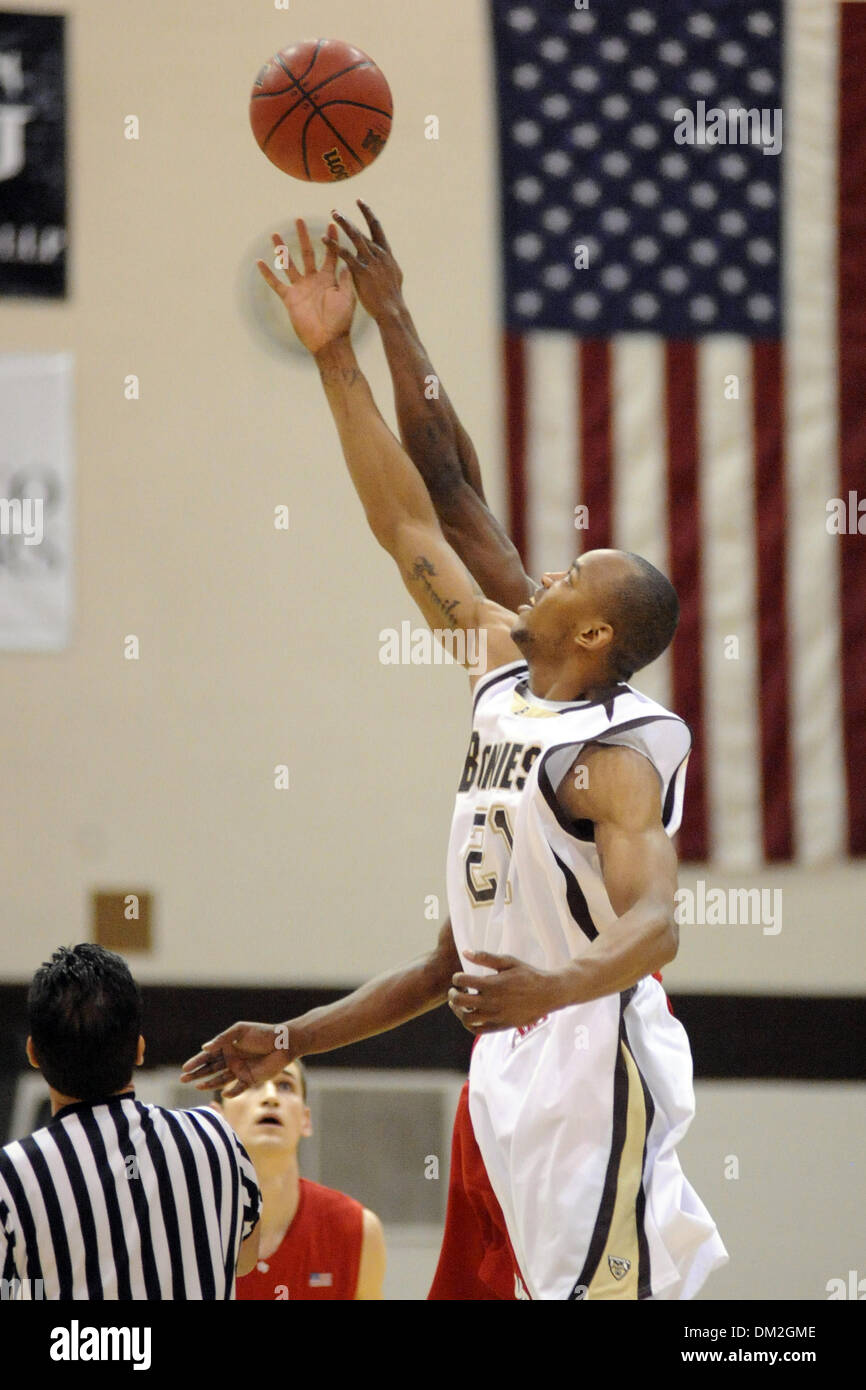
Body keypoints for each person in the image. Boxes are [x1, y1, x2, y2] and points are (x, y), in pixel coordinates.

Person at [184, 208, 727, 1299]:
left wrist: (549, 988)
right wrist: (354, 340)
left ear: (592, 636)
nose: (546, 574)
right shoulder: (501, 677)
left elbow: (657, 924)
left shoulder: (610, 753)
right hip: (503, 1067)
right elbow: (420, 513)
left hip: (585, 1053)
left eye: (571, 574)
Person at [0, 944, 260, 1299]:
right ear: (139, 1049)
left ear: (33, 1053)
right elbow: (243, 1258)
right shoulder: (216, 1136)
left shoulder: (12, 1174)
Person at [214, 1059, 385, 1300]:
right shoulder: (179, 1224)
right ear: (215, 1117)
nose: (270, 1097)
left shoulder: (357, 1230)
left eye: (285, 1085)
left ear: (306, 1119)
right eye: (249, 1083)